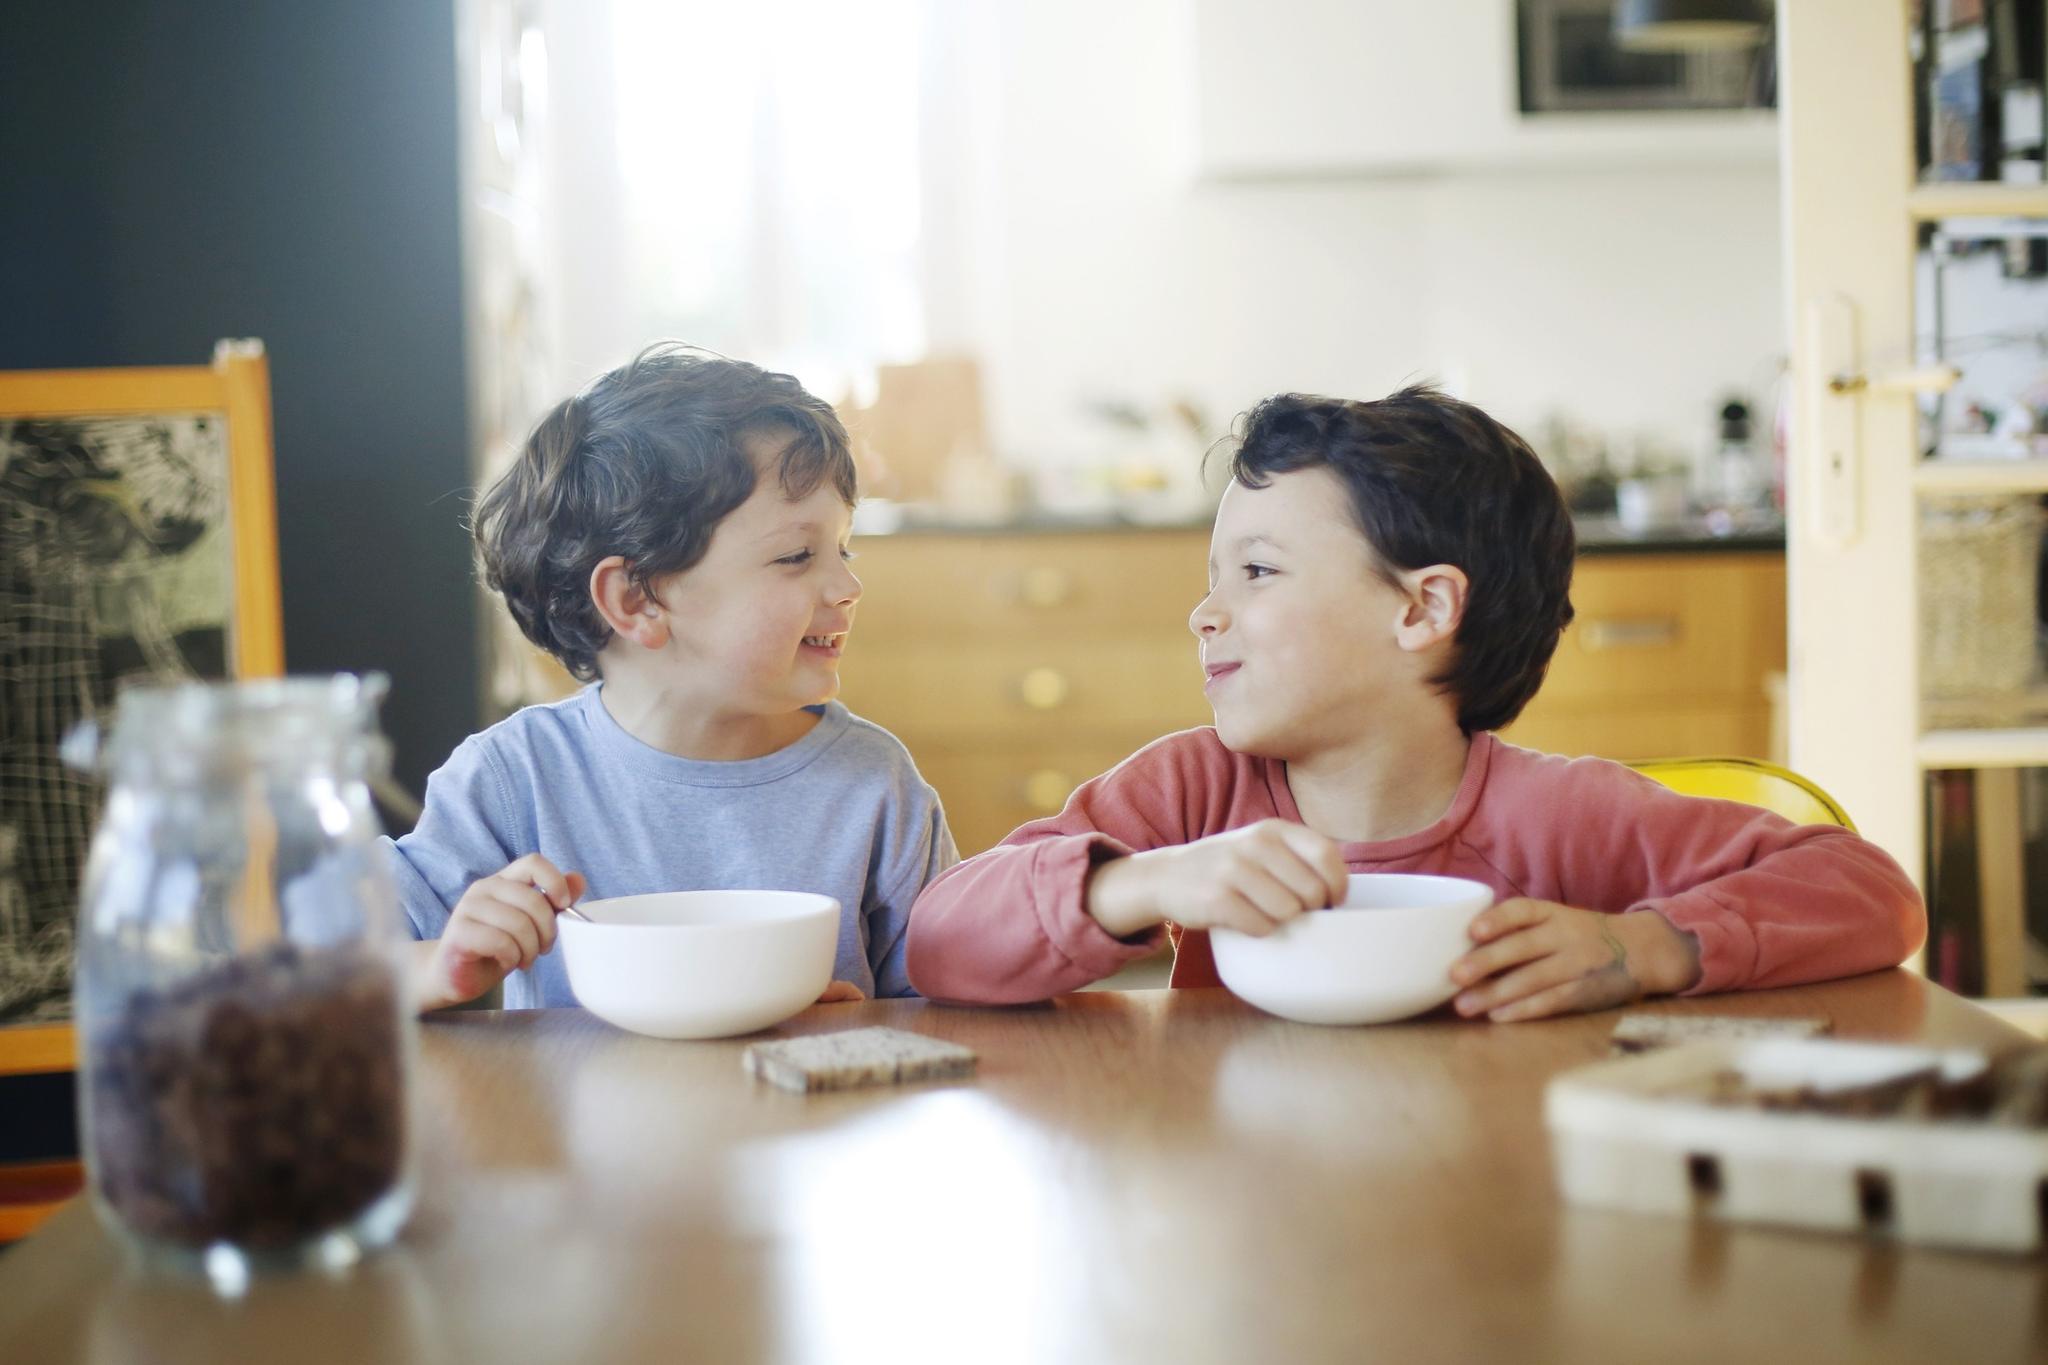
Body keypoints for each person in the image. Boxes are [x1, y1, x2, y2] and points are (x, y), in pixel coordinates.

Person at [905, 386, 1923, 1021]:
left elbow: (1867, 891)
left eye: (1256, 572)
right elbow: (940, 939)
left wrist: (1642, 948)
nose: (1202, 614)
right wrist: (1139, 885)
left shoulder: (1559, 819)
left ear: (1422, 608)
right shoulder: (1186, 797)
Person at [389, 343, 956, 1012]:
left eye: (843, 548)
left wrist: (866, 1021)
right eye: (798, 555)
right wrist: (439, 967)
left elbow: (949, 1011)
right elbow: (329, 973)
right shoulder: (514, 779)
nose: (849, 585)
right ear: (635, 600)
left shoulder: (876, 785)